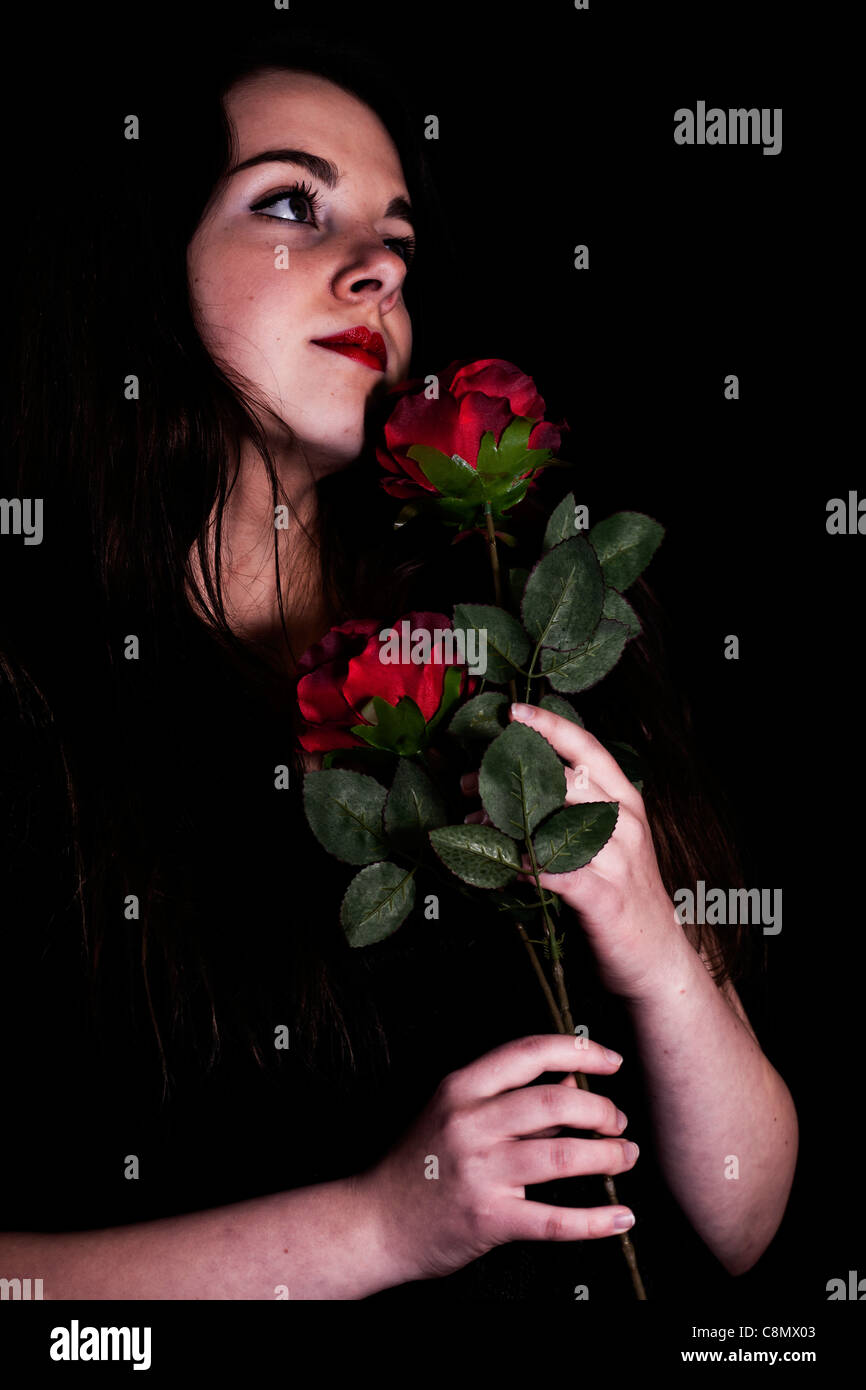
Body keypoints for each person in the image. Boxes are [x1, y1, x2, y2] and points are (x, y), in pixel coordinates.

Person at [0, 29, 797, 1300]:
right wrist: (376, 1228)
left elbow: (744, 1224)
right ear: (136, 267)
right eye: (289, 204)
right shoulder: (31, 714)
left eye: (398, 241)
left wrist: (650, 941)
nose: (374, 266)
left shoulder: (509, 660)